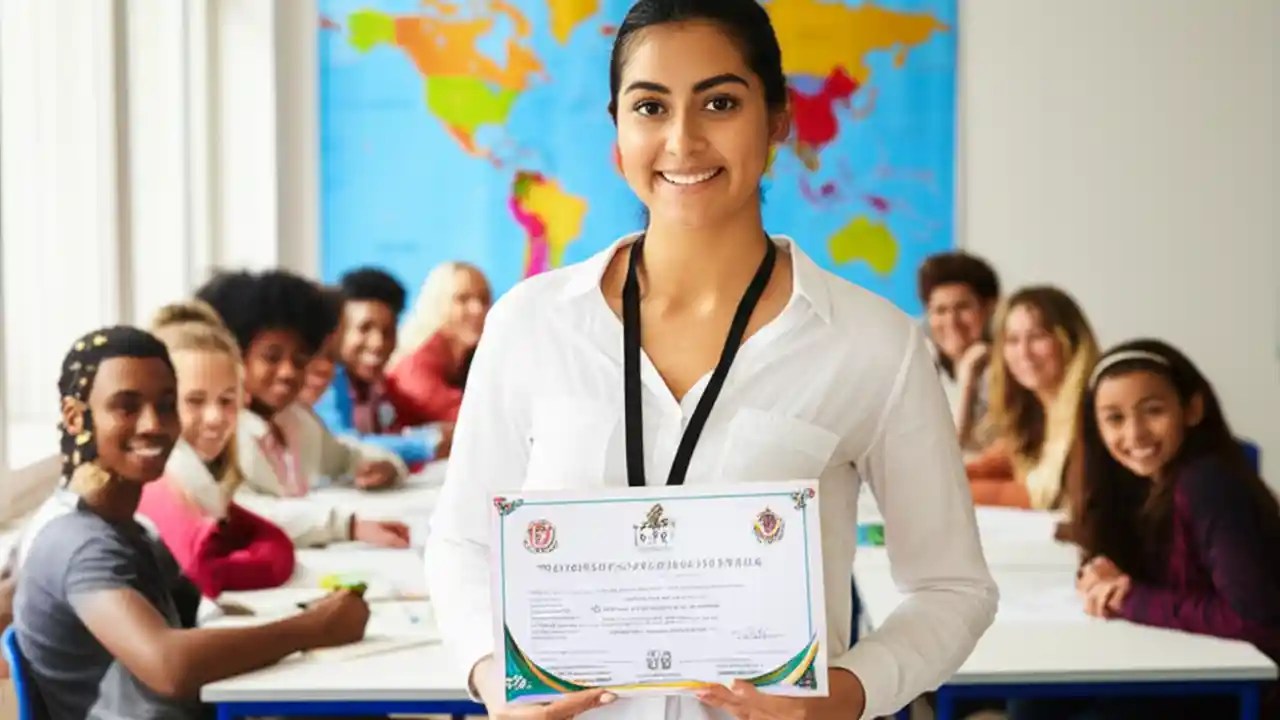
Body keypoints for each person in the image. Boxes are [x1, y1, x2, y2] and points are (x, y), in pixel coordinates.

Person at [423, 1, 998, 718]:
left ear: (779, 118)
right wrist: (491, 680)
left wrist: (846, 696)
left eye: (720, 102)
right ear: (618, 129)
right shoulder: (531, 325)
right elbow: (461, 545)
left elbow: (953, 588)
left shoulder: (873, 343)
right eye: (650, 107)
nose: (683, 140)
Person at [13, 326, 369, 719]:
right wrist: (313, 628)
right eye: (126, 407)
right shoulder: (79, 541)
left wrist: (309, 620)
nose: (153, 424)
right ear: (75, 418)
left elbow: (200, 617)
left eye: (166, 405)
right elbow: (170, 667)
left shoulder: (133, 530)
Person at [1010, 340, 1280, 720]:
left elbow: (1255, 620)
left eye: (1153, 411)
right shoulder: (1136, 483)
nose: (1135, 434)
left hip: (1246, 687)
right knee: (1031, 704)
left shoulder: (1207, 483)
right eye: (1114, 419)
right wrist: (1101, 576)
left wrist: (1130, 599)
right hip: (1187, 660)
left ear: (1192, 409)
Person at [196, 270, 411, 548]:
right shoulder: (223, 430)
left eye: (299, 360)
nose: (288, 372)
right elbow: (243, 512)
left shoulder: (296, 420)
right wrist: (345, 525)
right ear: (237, 356)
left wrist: (389, 467)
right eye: (271, 358)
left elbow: (348, 455)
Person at [137, 301, 296, 598]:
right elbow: (200, 575)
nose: (215, 418)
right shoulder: (156, 483)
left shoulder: (206, 479)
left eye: (226, 401)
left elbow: (278, 545)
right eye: (194, 401)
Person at [965, 287, 1098, 509]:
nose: (1024, 353)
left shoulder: (1094, 407)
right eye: (1012, 340)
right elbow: (996, 462)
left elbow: (1050, 499)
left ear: (1070, 340)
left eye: (1037, 337)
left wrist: (953, 490)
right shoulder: (1034, 411)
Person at [316, 267, 450, 466]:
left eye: (388, 331)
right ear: (337, 331)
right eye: (364, 328)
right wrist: (425, 443)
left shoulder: (375, 386)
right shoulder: (323, 381)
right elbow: (342, 443)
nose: (378, 343)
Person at [386, 261, 491, 427]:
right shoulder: (415, 366)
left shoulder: (473, 358)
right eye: (462, 299)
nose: (477, 309)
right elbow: (475, 422)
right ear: (436, 304)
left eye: (484, 299)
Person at [917, 251, 1001, 454]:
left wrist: (968, 382)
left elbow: (949, 453)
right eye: (940, 310)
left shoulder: (1010, 375)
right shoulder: (926, 371)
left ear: (990, 308)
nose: (951, 322)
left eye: (962, 307)